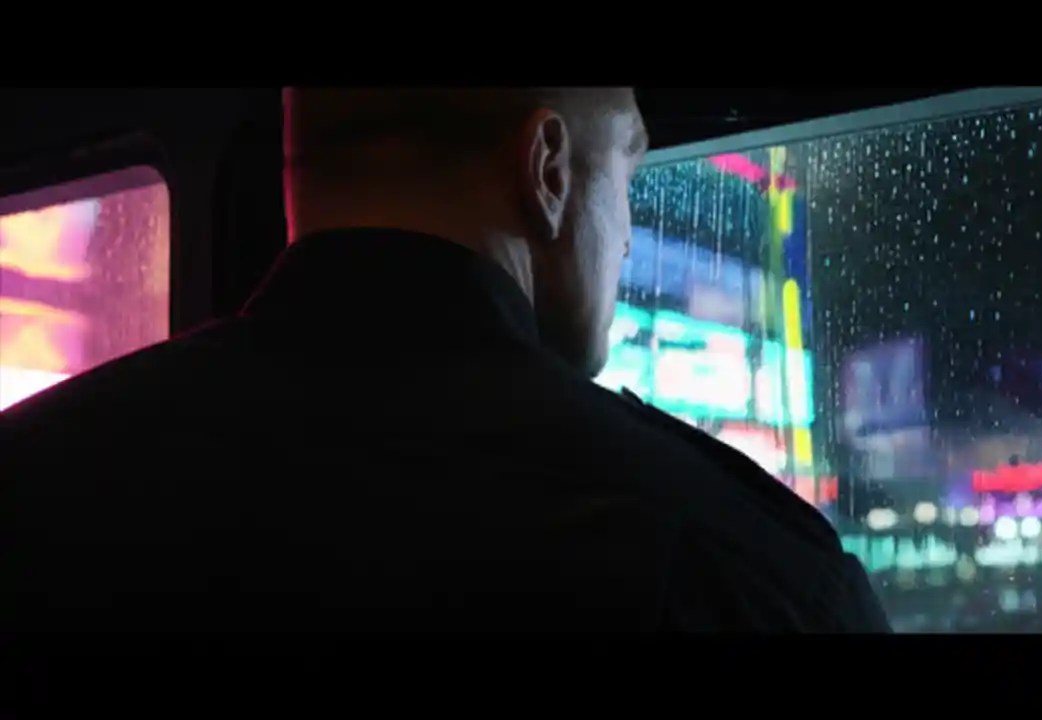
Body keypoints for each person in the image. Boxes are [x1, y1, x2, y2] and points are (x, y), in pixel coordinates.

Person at [0, 87, 891, 632]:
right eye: (626, 171)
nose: (625, 240)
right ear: (546, 170)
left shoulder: (34, 486)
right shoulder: (742, 568)